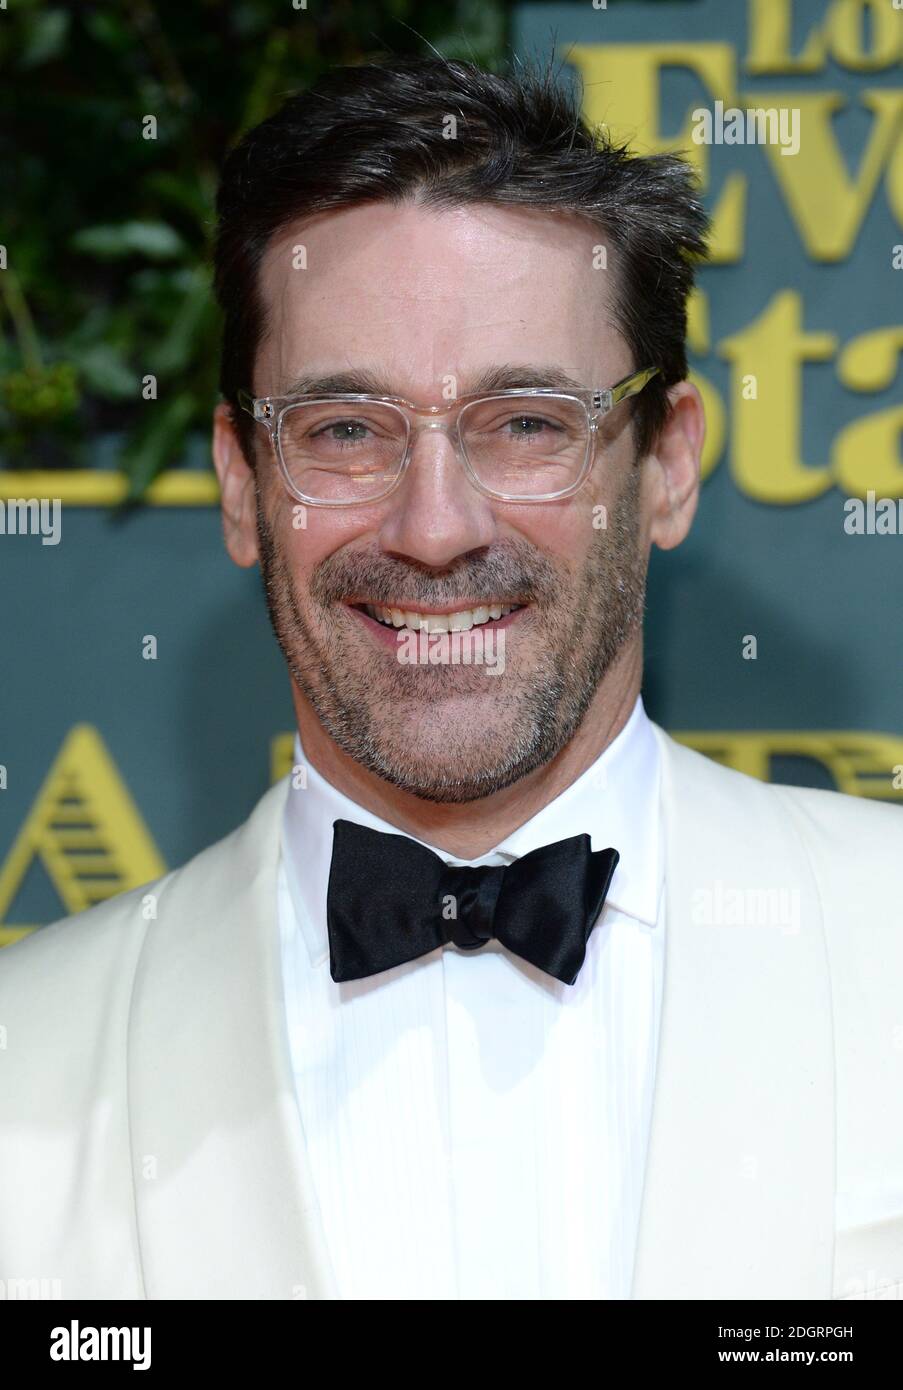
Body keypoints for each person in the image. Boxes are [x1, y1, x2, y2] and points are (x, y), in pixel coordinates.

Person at [1, 55, 900, 1303]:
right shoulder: (22, 1060)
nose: (434, 527)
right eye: (345, 430)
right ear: (241, 482)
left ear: (667, 464)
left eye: (528, 421)